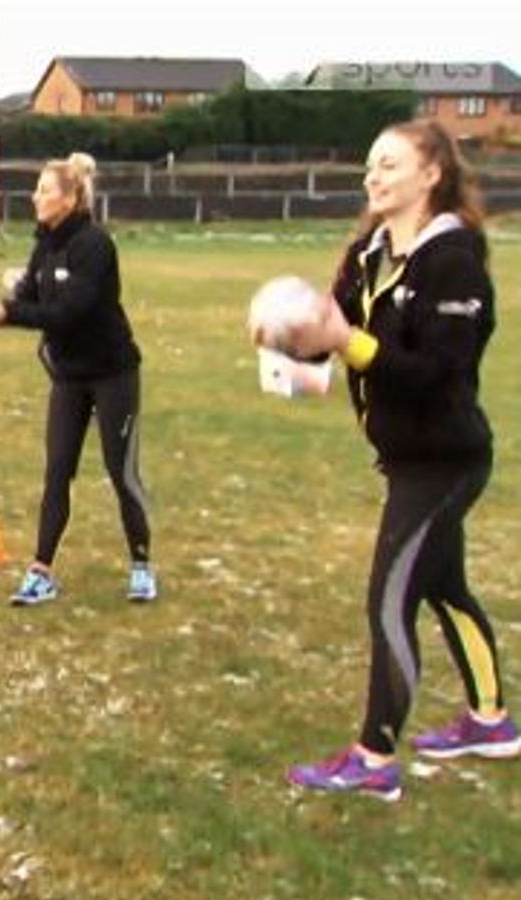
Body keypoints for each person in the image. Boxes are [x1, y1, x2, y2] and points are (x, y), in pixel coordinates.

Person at [285, 119, 517, 801]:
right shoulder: (369, 252)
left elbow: (439, 373)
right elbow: (330, 336)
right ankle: (492, 723)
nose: (372, 177)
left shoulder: (454, 262)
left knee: (390, 599)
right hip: (404, 455)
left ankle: (374, 759)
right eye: (368, 166)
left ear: (431, 174)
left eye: (388, 164)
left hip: (446, 461)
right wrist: (287, 339)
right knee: (444, 587)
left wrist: (346, 342)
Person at [0, 152, 156, 607]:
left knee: (121, 472)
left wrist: (3, 313)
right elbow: (28, 296)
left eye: (45, 190)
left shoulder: (95, 246)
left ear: (70, 198)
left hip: (113, 374)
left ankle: (142, 565)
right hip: (68, 377)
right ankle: (40, 572)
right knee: (57, 471)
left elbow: (68, 312)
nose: (35, 197)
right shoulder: (45, 244)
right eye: (37, 189)